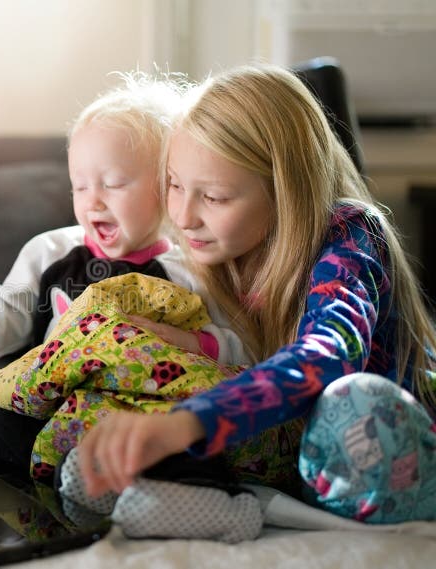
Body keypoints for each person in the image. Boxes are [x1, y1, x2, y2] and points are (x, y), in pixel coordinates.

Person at [75, 63, 436, 524]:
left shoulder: (351, 234)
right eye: (174, 184)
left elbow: (328, 355)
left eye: (216, 197)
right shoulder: (217, 245)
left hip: (393, 442)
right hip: (295, 453)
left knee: (354, 402)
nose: (183, 216)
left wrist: (188, 422)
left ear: (285, 191)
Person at [0, 72, 248, 472]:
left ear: (166, 185)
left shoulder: (191, 268)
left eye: (114, 184)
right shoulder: (49, 252)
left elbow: (239, 350)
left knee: (194, 446)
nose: (94, 202)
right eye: (80, 186)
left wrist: (194, 343)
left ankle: (118, 489)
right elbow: (1, 314)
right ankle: (73, 489)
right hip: (54, 408)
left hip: (139, 414)